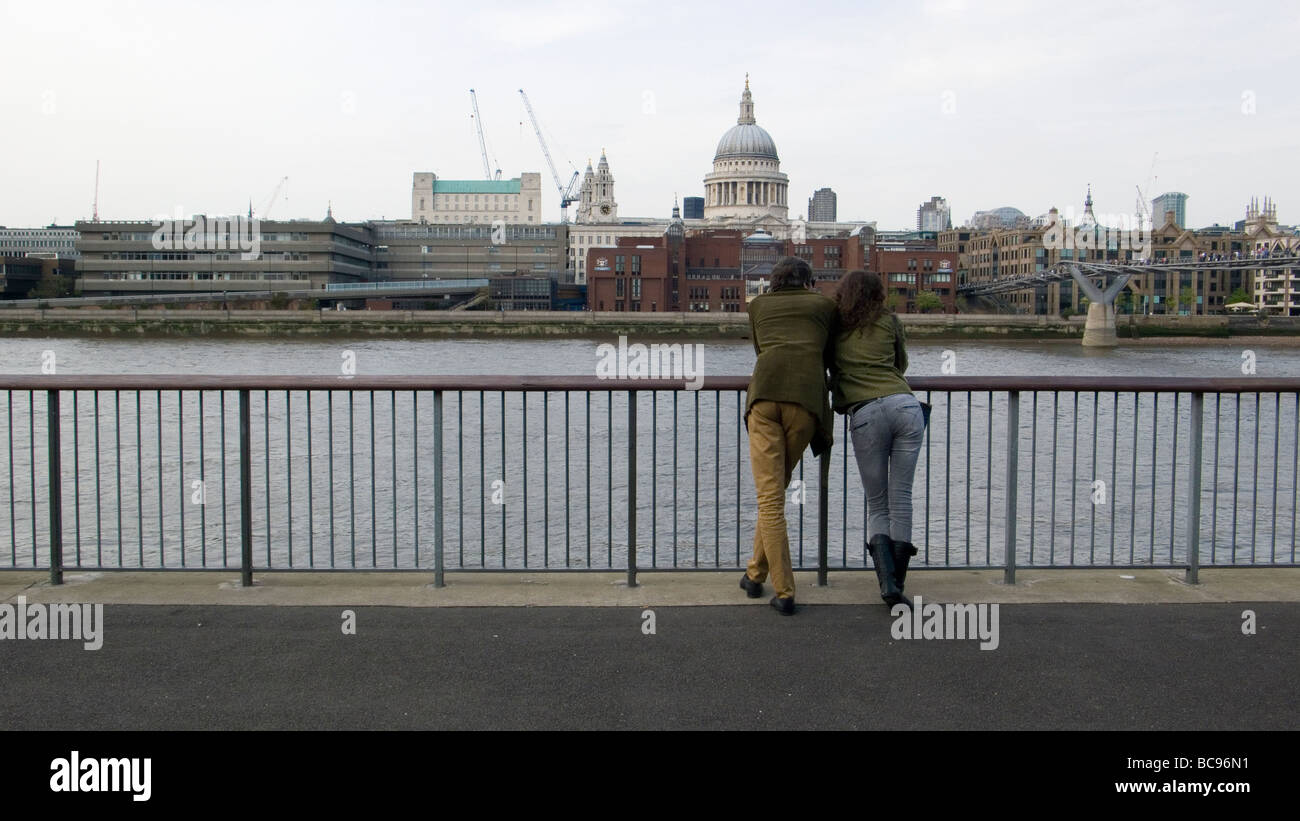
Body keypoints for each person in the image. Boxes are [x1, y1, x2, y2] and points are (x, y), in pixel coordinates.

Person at [740, 256, 836, 616]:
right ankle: (754, 574)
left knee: (769, 499)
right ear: (809, 281)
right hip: (806, 401)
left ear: (774, 280)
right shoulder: (825, 305)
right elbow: (828, 352)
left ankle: (784, 591)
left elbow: (761, 351)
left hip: (764, 398)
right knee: (774, 493)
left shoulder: (759, 305)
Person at [829, 270, 926, 609]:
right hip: (905, 405)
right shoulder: (890, 321)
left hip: (866, 413)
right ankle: (896, 585)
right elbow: (901, 363)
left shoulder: (836, 327)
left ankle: (888, 583)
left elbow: (827, 366)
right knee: (902, 499)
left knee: (878, 503)